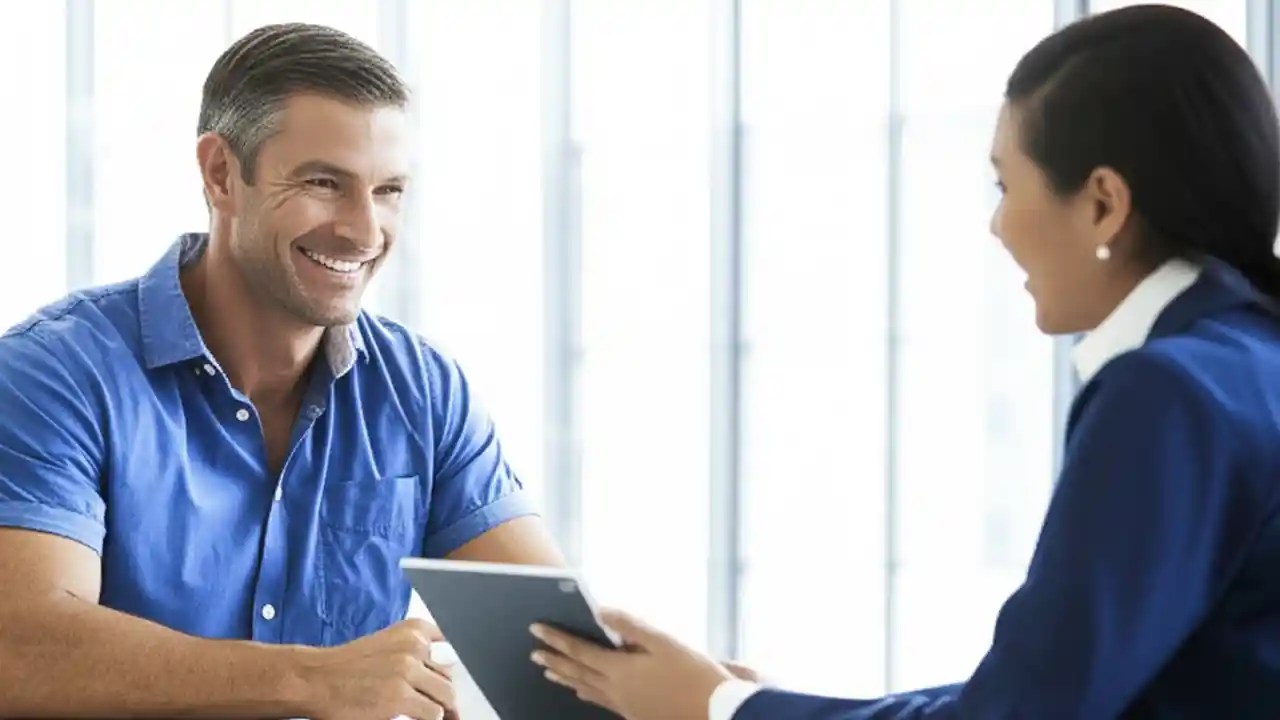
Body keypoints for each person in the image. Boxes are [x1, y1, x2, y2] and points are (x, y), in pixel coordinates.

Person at [530, 5, 1280, 718]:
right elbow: (1060, 685)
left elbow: (1023, 713)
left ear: (1103, 203)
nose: (996, 225)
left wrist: (719, 708)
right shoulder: (1248, 363)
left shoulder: (1166, 393)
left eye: (1004, 184)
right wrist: (754, 705)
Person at [0, 23, 564, 720]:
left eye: (388, 190)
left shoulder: (422, 392)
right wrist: (316, 681)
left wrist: (694, 691)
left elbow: (550, 659)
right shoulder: (55, 374)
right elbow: (20, 648)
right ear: (220, 174)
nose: (363, 232)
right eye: (325, 183)